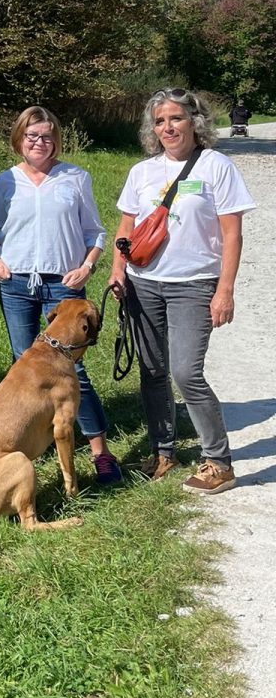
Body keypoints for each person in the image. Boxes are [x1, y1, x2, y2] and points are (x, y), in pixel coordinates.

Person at [110, 87, 255, 494]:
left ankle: (218, 461)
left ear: (195, 121)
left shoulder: (216, 166)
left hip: (194, 284)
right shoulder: (142, 171)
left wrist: (224, 290)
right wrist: (117, 273)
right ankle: (163, 451)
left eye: (175, 118)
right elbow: (126, 229)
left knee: (185, 372)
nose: (167, 127)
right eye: (159, 121)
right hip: (144, 284)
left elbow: (232, 235)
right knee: (153, 371)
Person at [0, 105, 122, 484]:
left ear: (56, 140)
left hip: (63, 285)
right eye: (31, 136)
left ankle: (100, 453)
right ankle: (43, 439)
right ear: (19, 139)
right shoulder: (6, 181)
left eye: (46, 136)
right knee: (25, 366)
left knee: (71, 369)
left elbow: (95, 232)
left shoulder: (75, 178)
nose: (39, 142)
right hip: (16, 283)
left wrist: (88, 266)